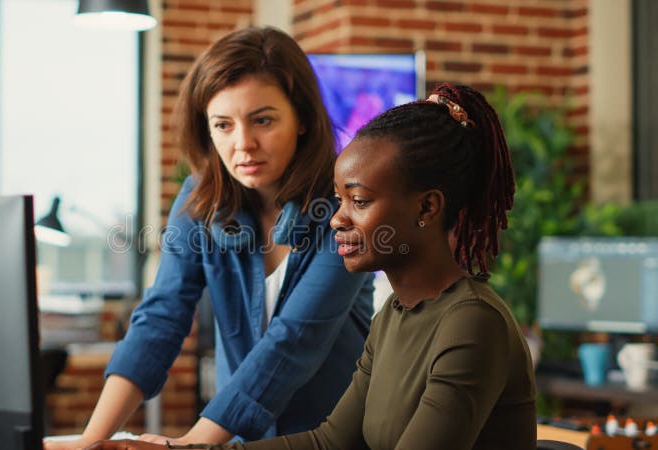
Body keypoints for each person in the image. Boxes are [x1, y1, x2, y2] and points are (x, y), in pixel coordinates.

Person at [84, 83, 537, 450]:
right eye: (339, 199)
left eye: (358, 201)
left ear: (427, 208)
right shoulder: (393, 317)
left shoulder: (471, 323)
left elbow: (292, 344)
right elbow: (330, 440)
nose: (336, 218)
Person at [43, 26, 374, 449]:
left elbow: (293, 340)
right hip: (233, 440)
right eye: (223, 124)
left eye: (263, 120)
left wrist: (192, 443)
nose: (243, 144)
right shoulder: (201, 198)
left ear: (303, 118)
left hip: (328, 439)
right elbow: (161, 317)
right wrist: (91, 440)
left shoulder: (348, 204)